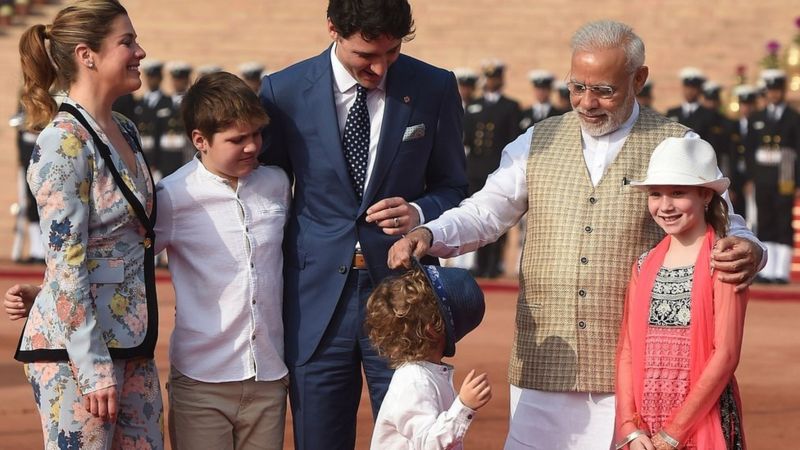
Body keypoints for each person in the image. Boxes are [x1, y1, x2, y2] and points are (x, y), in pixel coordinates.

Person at [387, 20, 764, 450]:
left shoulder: (675, 143)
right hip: (544, 360)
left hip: (631, 373)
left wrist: (748, 249)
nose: (587, 102)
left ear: (638, 79)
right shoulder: (538, 140)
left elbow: (726, 221)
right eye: (577, 87)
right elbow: (486, 210)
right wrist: (430, 232)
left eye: (604, 90)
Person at [257, 1, 468, 448]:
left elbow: (452, 185)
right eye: (365, 55)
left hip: (403, 296)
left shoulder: (433, 86)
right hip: (315, 301)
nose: (380, 67)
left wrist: (419, 213)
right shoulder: (283, 91)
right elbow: (267, 189)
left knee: (411, 438)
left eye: (392, 53)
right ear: (332, 29)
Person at [11, 1, 163, 448]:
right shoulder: (62, 142)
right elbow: (66, 261)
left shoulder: (124, 127)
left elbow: (123, 240)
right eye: (127, 42)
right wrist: (93, 368)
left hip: (132, 341)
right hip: (78, 357)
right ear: (87, 55)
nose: (140, 52)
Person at [154, 72, 290, 450]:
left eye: (257, 134)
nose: (252, 147)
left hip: (269, 377)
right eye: (237, 139)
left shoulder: (277, 184)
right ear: (200, 140)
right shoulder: (173, 195)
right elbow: (129, 263)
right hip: (201, 383)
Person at [616, 137, 747, 450]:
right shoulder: (643, 265)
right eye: (655, 194)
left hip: (702, 421)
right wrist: (630, 428)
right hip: (646, 426)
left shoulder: (724, 261)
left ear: (705, 195)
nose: (665, 206)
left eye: (677, 193)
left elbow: (726, 354)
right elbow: (628, 351)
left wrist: (674, 432)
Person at [366, 261, 490, 449]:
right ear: (433, 329)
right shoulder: (414, 381)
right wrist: (464, 407)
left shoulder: (424, 374)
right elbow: (428, 443)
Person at [463, 59, 521, 278]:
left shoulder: (510, 106)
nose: (491, 81)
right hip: (476, 169)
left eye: (495, 77)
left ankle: (494, 264)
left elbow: (513, 138)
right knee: (476, 214)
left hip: (498, 168)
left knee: (497, 215)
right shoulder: (475, 105)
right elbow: (466, 136)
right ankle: (479, 263)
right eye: (489, 77)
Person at [748, 69, 800, 284]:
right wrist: (750, 177)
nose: (774, 94)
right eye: (771, 90)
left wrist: (798, 182)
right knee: (765, 218)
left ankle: (781, 271)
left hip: (785, 176)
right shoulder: (757, 117)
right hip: (763, 176)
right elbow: (750, 150)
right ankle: (767, 270)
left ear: (783, 91)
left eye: (778, 90)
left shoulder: (793, 117)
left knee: (783, 218)